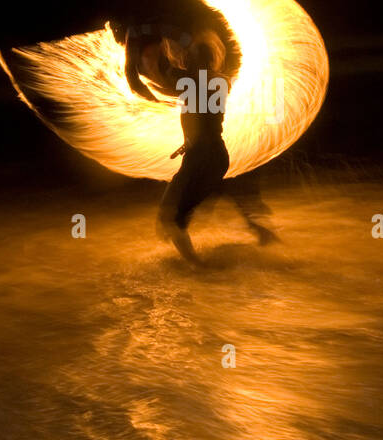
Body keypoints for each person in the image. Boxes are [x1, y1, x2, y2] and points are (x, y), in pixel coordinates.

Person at [118, 23, 278, 263]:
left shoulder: (187, 80)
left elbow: (144, 80)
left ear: (193, 59)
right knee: (219, 190)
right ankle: (262, 234)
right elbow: (204, 117)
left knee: (169, 219)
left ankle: (199, 271)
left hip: (201, 158)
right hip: (215, 155)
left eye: (189, 53)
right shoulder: (222, 82)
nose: (183, 56)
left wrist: (133, 39)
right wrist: (189, 141)